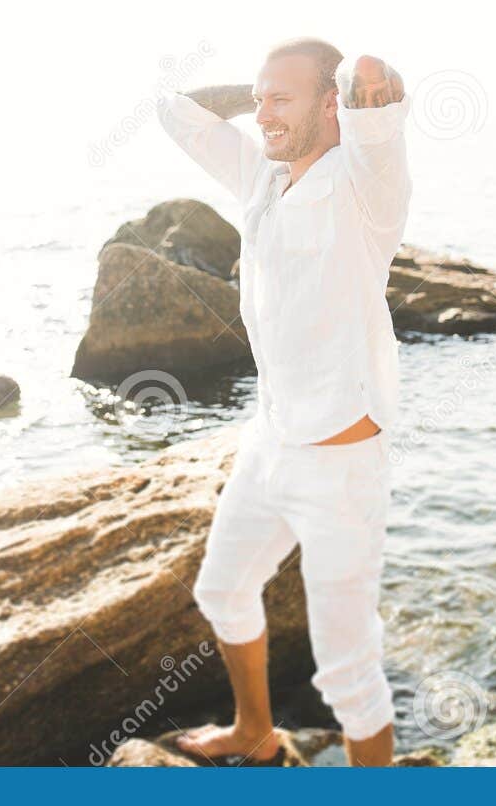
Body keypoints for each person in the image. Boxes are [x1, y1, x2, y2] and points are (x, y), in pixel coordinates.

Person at [154, 37, 412, 766]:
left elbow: (371, 83)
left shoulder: (368, 190)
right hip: (270, 443)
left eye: (282, 99)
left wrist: (352, 83)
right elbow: (175, 110)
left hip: (340, 466)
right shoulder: (260, 177)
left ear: (329, 106)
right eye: (260, 98)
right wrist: (263, 92)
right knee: (223, 588)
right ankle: (255, 731)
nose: (263, 114)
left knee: (347, 670)